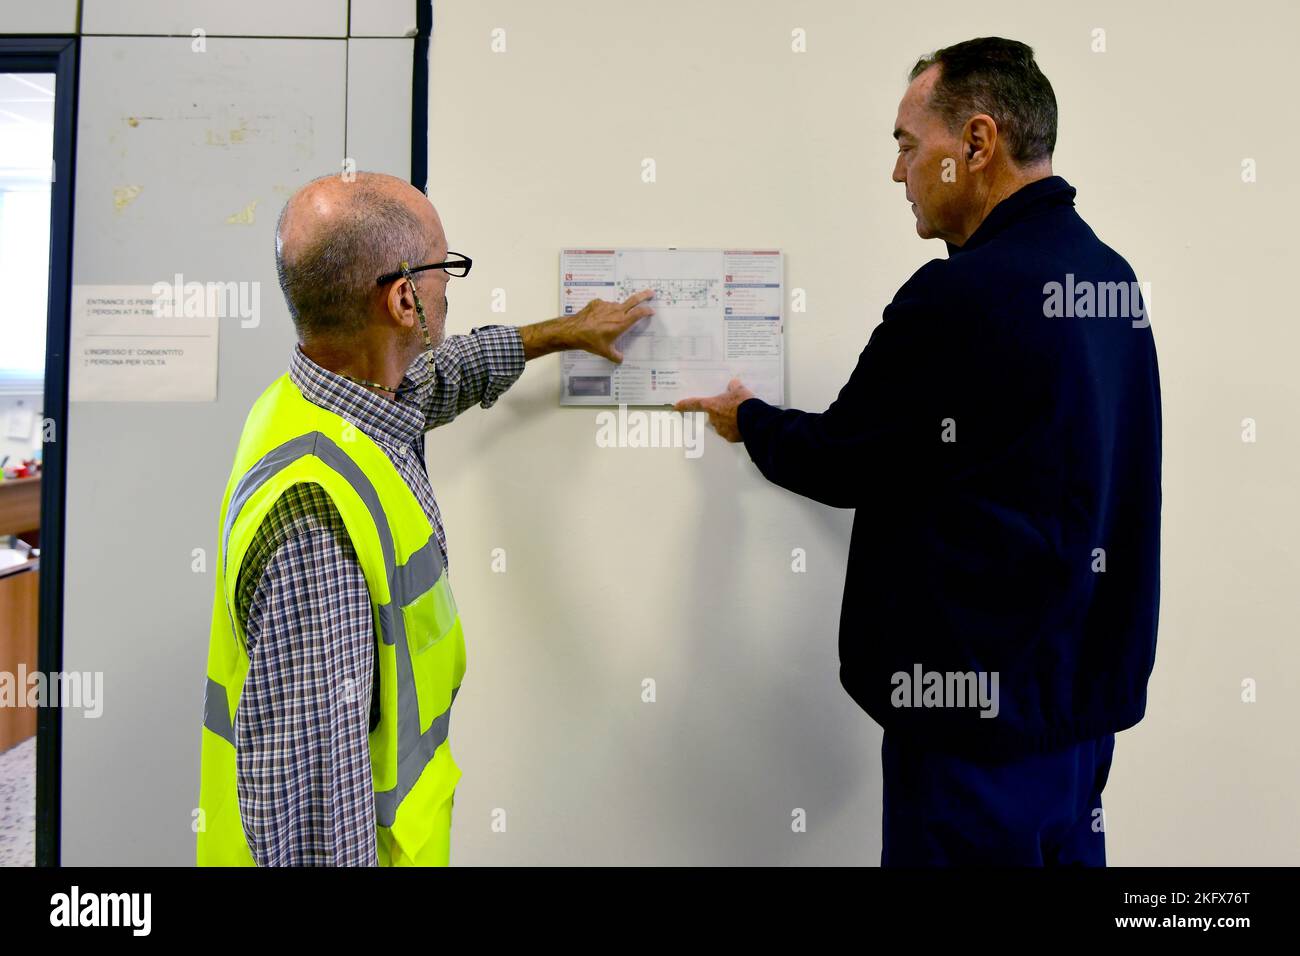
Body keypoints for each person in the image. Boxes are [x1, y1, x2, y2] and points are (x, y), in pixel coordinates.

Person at [677, 37, 1162, 866]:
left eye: (907, 145)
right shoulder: (1109, 279)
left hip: (972, 741)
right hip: (1075, 726)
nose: (897, 173)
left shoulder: (961, 293)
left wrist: (749, 418)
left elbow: (843, 456)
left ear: (975, 144)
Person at [197, 171, 653, 866]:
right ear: (405, 297)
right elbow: (317, 825)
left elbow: (442, 378)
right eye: (445, 269)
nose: (450, 286)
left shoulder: (322, 402)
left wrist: (565, 332)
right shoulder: (318, 525)